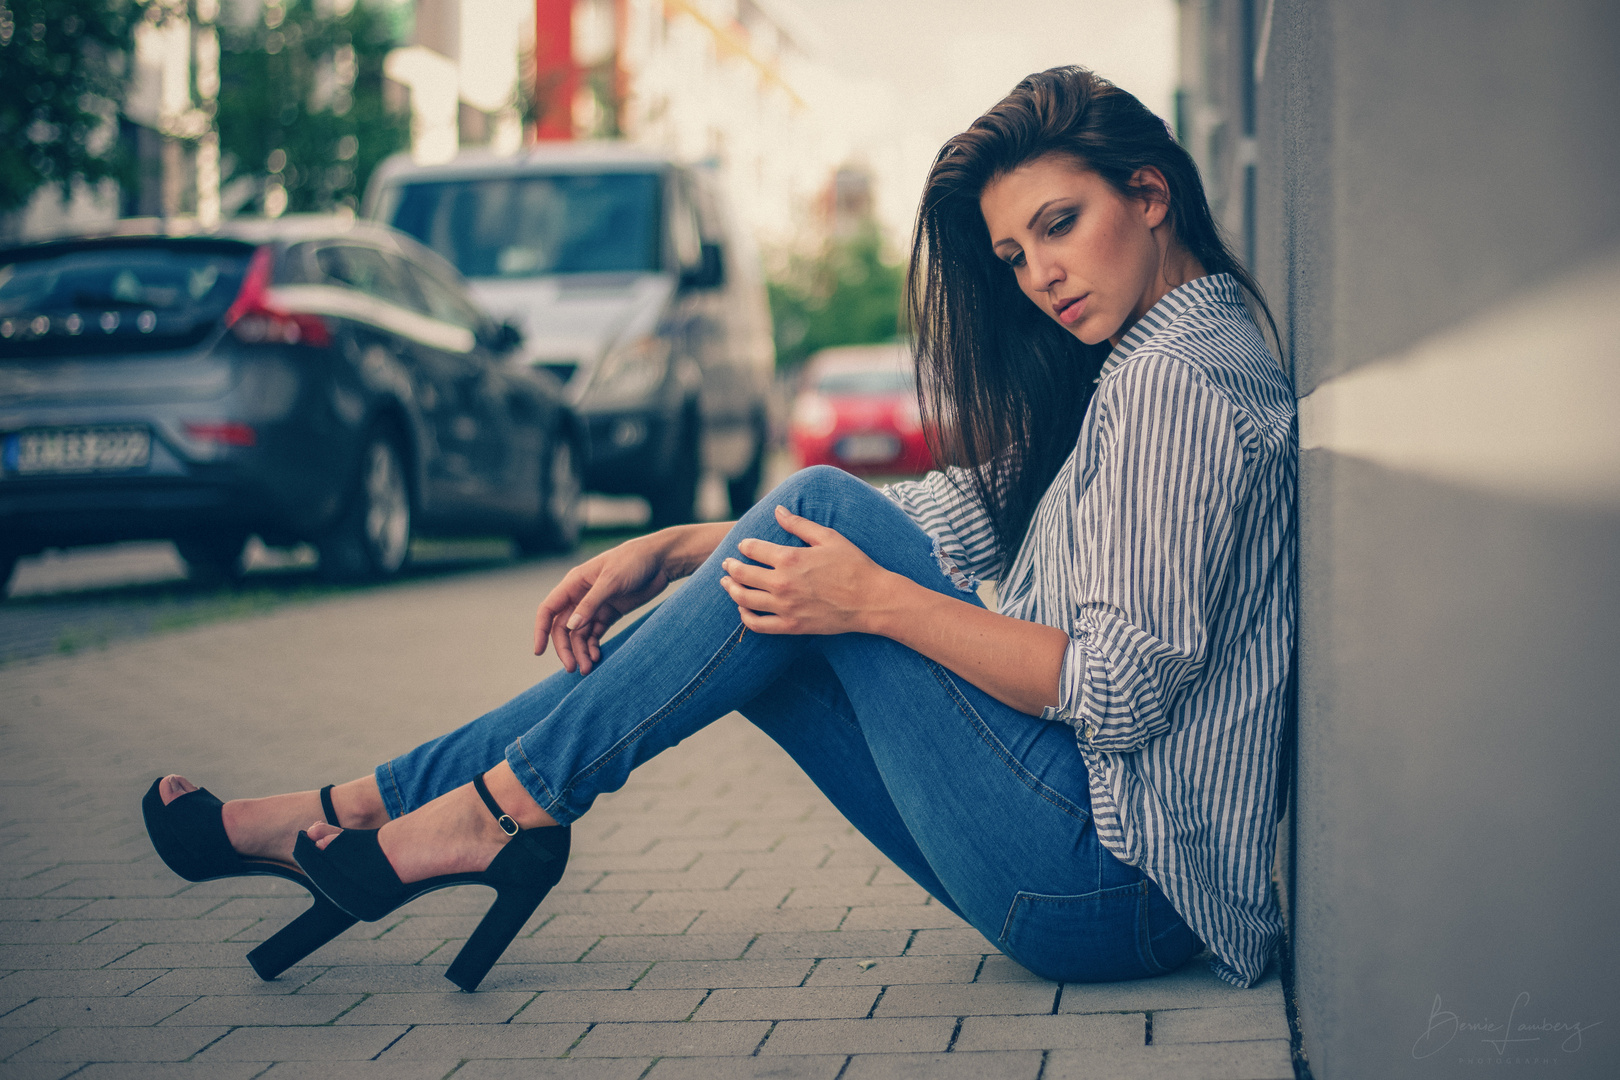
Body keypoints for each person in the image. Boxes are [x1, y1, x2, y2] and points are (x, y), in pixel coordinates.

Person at [143, 66, 1296, 993]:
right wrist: (684, 545)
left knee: (822, 522)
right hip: (1086, 871)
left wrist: (875, 601)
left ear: (1150, 193)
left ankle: (483, 813)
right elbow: (957, 515)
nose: (1040, 276)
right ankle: (371, 811)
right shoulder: (1151, 365)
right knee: (781, 584)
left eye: (1060, 225)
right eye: (1012, 256)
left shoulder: (1173, 385)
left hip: (1116, 886)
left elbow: (1119, 690)